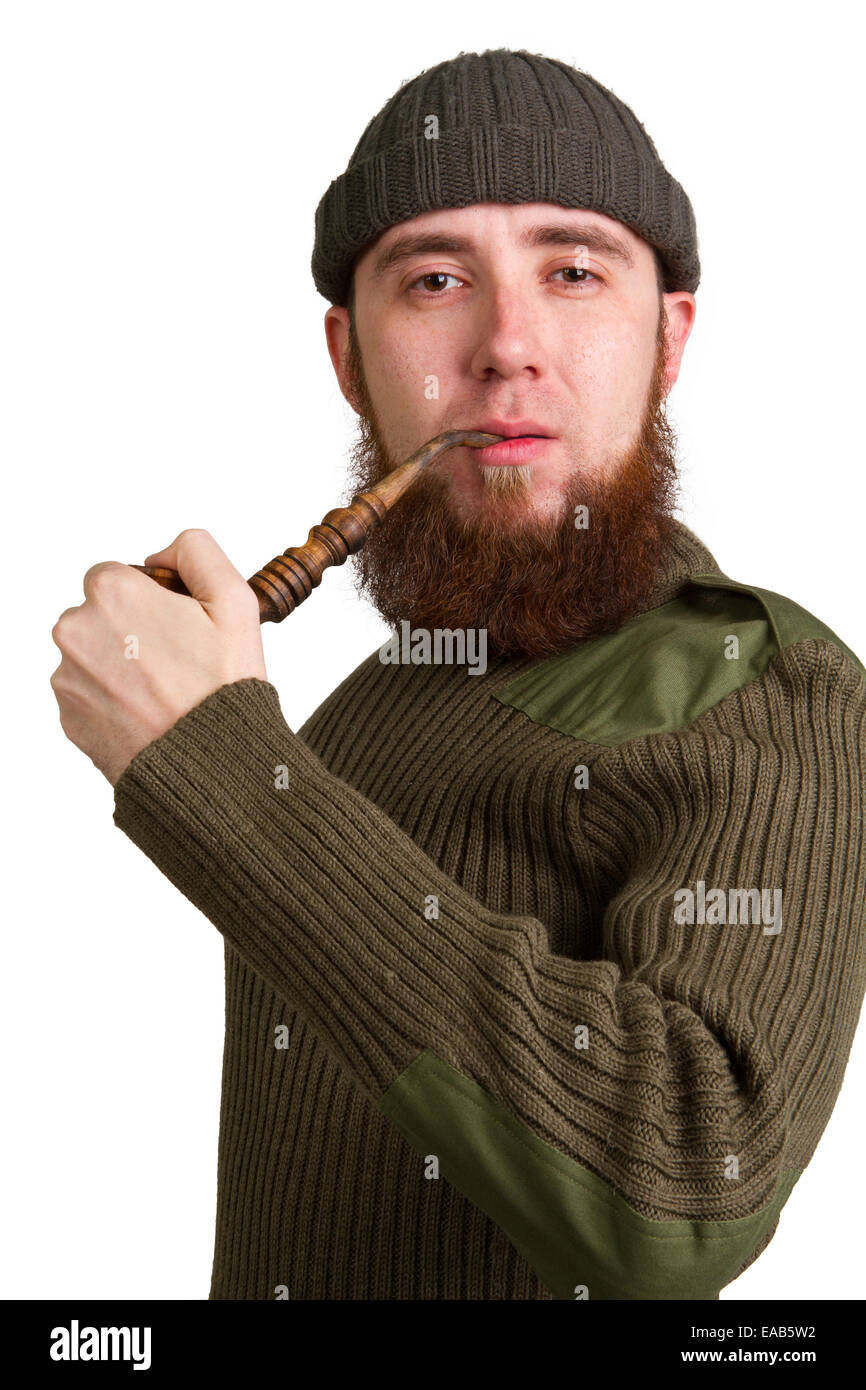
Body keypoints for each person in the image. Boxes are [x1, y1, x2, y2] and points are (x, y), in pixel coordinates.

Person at [50, 48, 866, 1300]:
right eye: (434, 279)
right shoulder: (363, 707)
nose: (505, 345)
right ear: (346, 353)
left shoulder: (763, 685)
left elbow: (692, 1186)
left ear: (669, 336)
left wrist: (219, 759)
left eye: (573, 270)